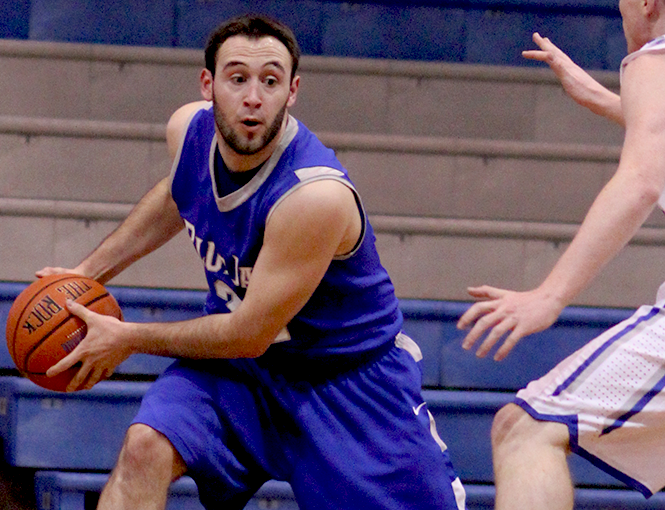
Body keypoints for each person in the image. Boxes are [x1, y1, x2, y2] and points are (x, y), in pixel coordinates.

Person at [36, 14, 466, 510]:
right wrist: (86, 274)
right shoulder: (189, 132)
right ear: (208, 85)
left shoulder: (314, 196)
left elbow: (248, 333)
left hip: (345, 384)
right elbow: (179, 193)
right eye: (237, 78)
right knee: (144, 447)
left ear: (292, 91)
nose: (253, 97)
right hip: (240, 373)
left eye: (270, 81)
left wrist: (127, 337)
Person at [457, 0, 665, 508]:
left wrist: (550, 296)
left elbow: (641, 182)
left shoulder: (661, 59)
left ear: (646, 2)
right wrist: (604, 99)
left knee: (525, 431)